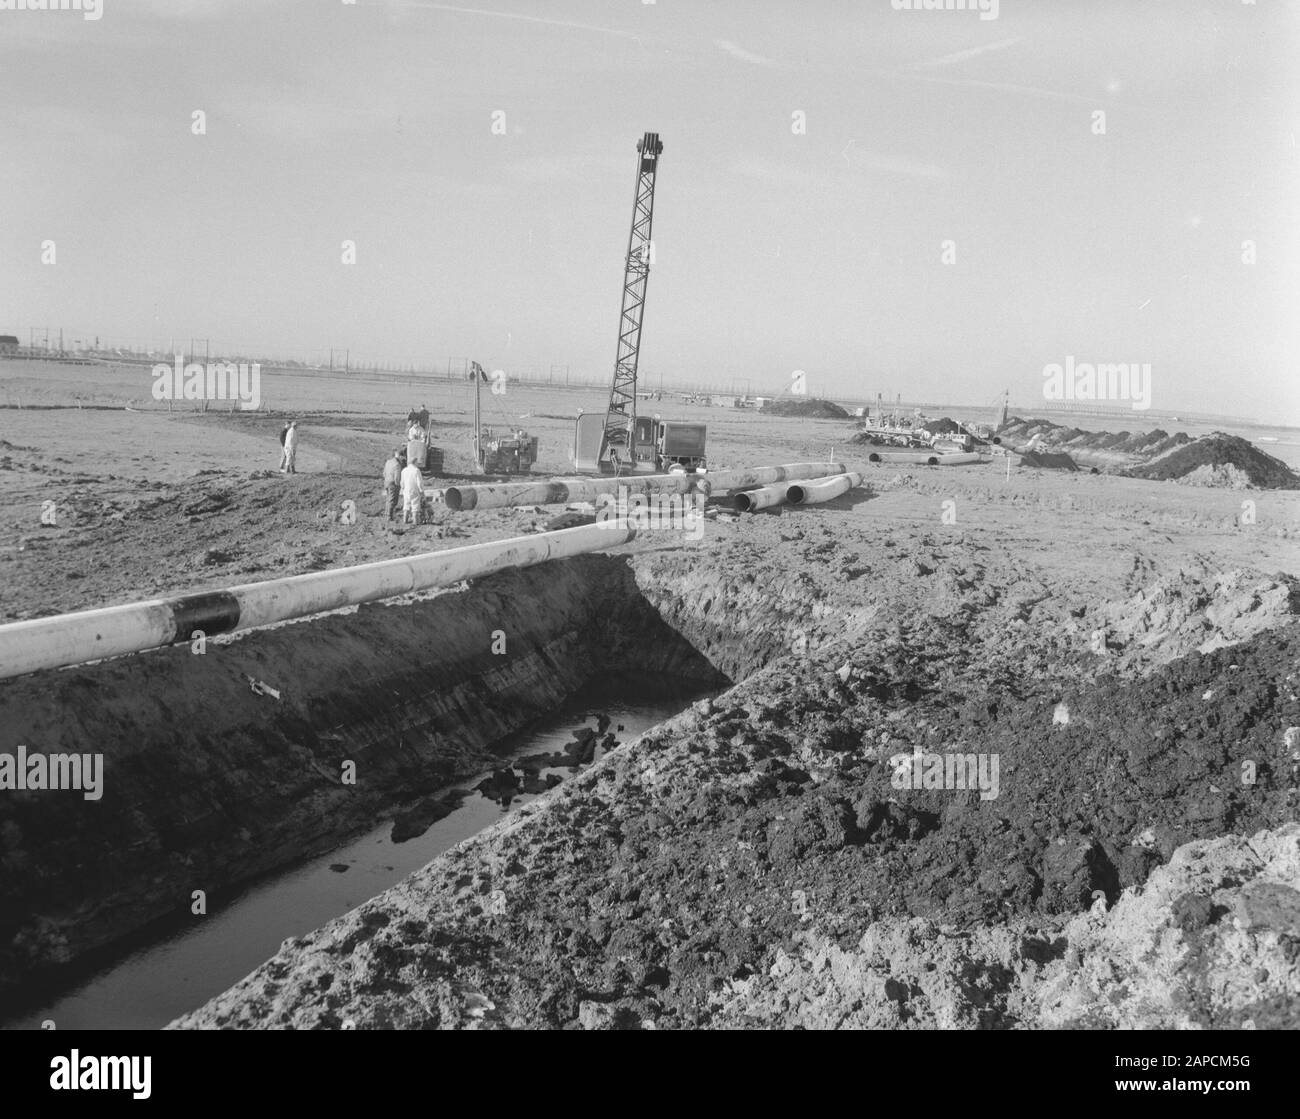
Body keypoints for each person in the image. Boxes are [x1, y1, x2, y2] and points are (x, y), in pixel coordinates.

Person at [400, 457, 424, 523]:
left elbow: (402, 482)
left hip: (406, 491)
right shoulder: (416, 470)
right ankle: (415, 521)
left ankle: (405, 520)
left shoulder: (404, 470)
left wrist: (403, 488)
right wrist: (421, 491)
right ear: (415, 462)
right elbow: (419, 482)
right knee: (415, 505)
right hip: (414, 490)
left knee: (406, 505)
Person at [382, 451, 401, 521]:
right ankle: (389, 516)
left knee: (388, 498)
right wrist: (398, 485)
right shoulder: (397, 464)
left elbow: (384, 473)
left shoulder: (388, 462)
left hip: (386, 482)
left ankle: (386, 514)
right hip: (393, 483)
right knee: (392, 500)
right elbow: (397, 477)